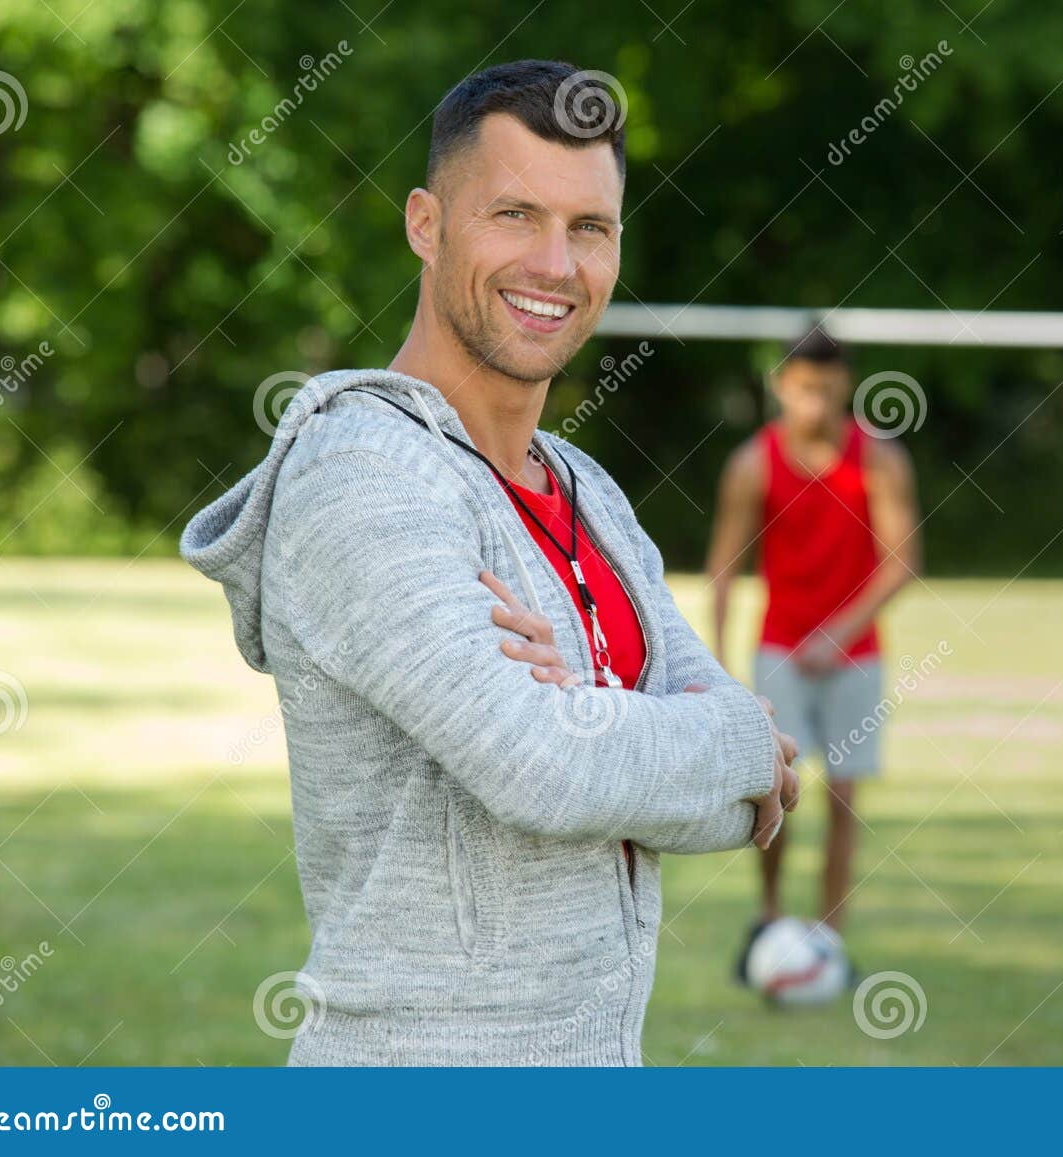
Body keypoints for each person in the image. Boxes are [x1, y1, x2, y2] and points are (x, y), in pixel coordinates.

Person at [180, 60, 799, 1066]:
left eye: (588, 227)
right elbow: (545, 768)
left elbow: (746, 800)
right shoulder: (364, 473)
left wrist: (595, 715)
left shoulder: (585, 488)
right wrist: (710, 734)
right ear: (426, 223)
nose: (554, 262)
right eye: (513, 213)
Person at [706, 327, 920, 972]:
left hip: (855, 654)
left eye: (826, 390)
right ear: (781, 386)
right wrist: (720, 670)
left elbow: (902, 562)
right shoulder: (752, 464)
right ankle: (769, 919)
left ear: (845, 386)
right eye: (803, 389)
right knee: (773, 792)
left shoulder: (880, 460)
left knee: (845, 800)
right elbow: (724, 571)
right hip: (778, 650)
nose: (815, 404)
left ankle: (830, 939)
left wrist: (840, 633)